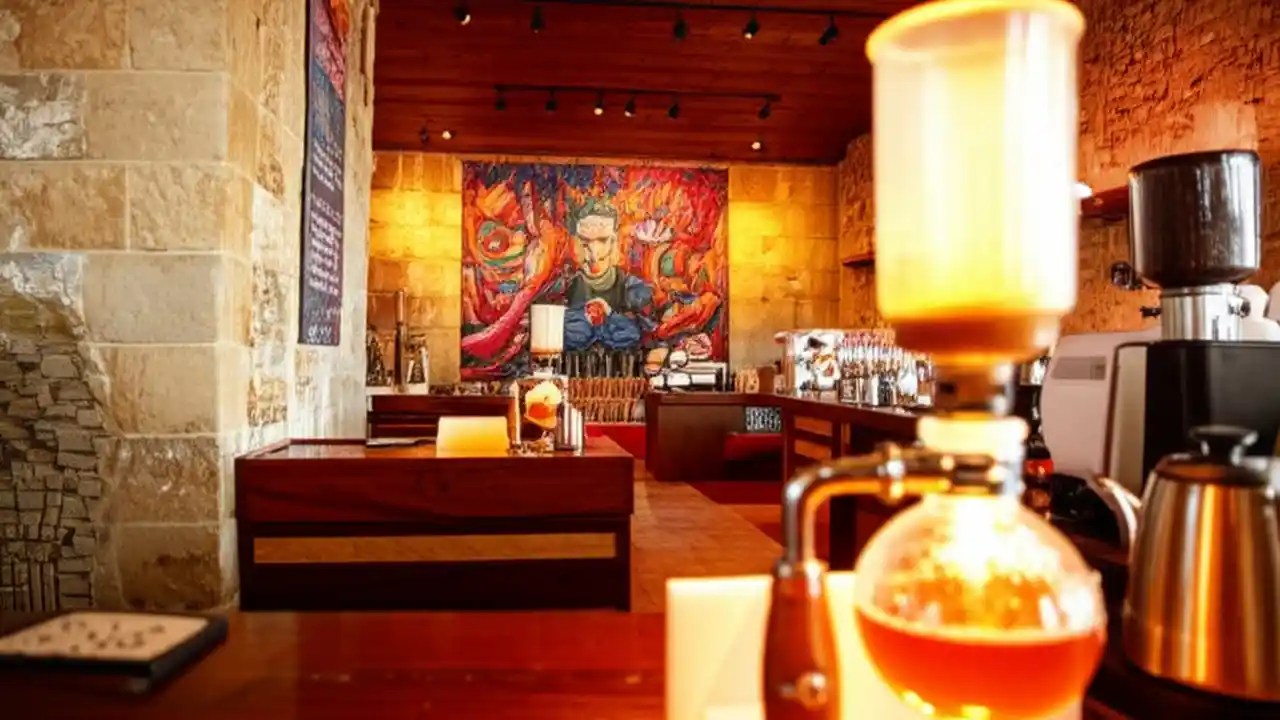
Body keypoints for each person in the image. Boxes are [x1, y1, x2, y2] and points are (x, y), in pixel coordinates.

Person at [563, 202, 654, 350]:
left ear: (615, 242)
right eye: (585, 242)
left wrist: (610, 316)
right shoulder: (562, 290)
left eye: (603, 240)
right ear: (574, 243)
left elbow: (649, 340)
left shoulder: (634, 289)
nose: (594, 254)